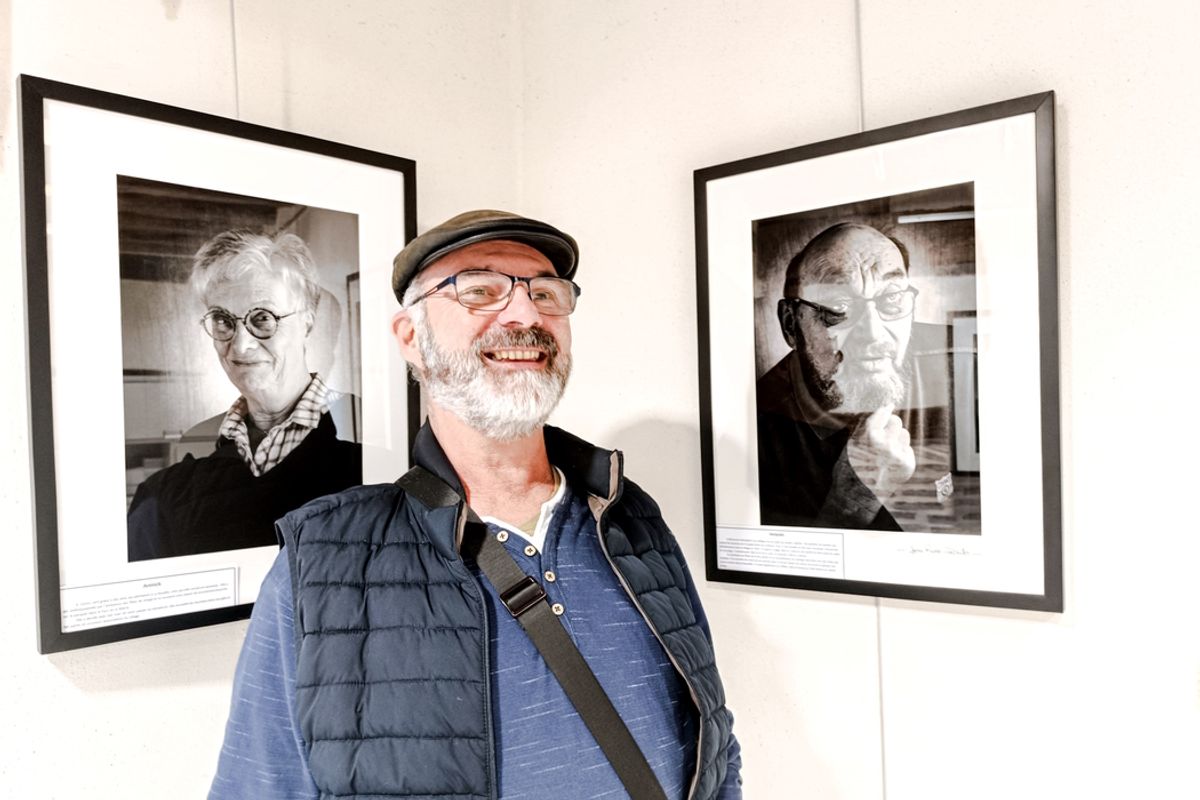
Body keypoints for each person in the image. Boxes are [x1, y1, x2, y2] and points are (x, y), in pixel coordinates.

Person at [209, 210, 742, 800]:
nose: (524, 314)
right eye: (480, 290)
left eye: (546, 292)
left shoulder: (629, 516)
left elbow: (714, 748)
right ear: (411, 339)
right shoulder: (321, 565)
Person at [126, 230, 361, 561]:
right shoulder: (181, 467)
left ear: (307, 320)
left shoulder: (369, 441)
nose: (239, 346)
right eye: (223, 320)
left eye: (262, 318)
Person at [756, 221, 948, 531]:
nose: (872, 335)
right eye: (838, 306)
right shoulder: (758, 432)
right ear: (792, 324)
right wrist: (852, 500)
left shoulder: (966, 368)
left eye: (892, 298)